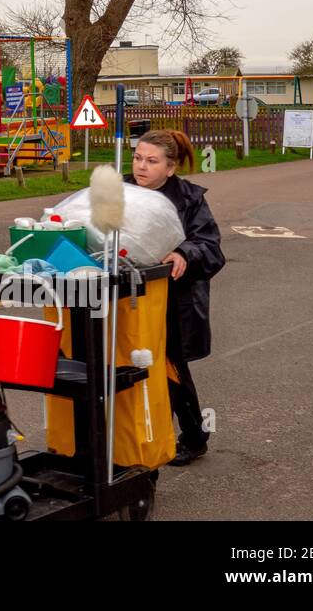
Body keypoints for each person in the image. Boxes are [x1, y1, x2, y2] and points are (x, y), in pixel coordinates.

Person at [127, 128, 225, 466]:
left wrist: (185, 252)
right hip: (122, 298)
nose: (141, 166)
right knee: (123, 368)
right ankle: (129, 437)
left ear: (170, 168)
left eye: (152, 161)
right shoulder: (118, 190)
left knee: (168, 368)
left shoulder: (189, 199)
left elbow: (210, 247)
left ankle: (193, 436)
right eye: (138, 157)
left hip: (172, 301)